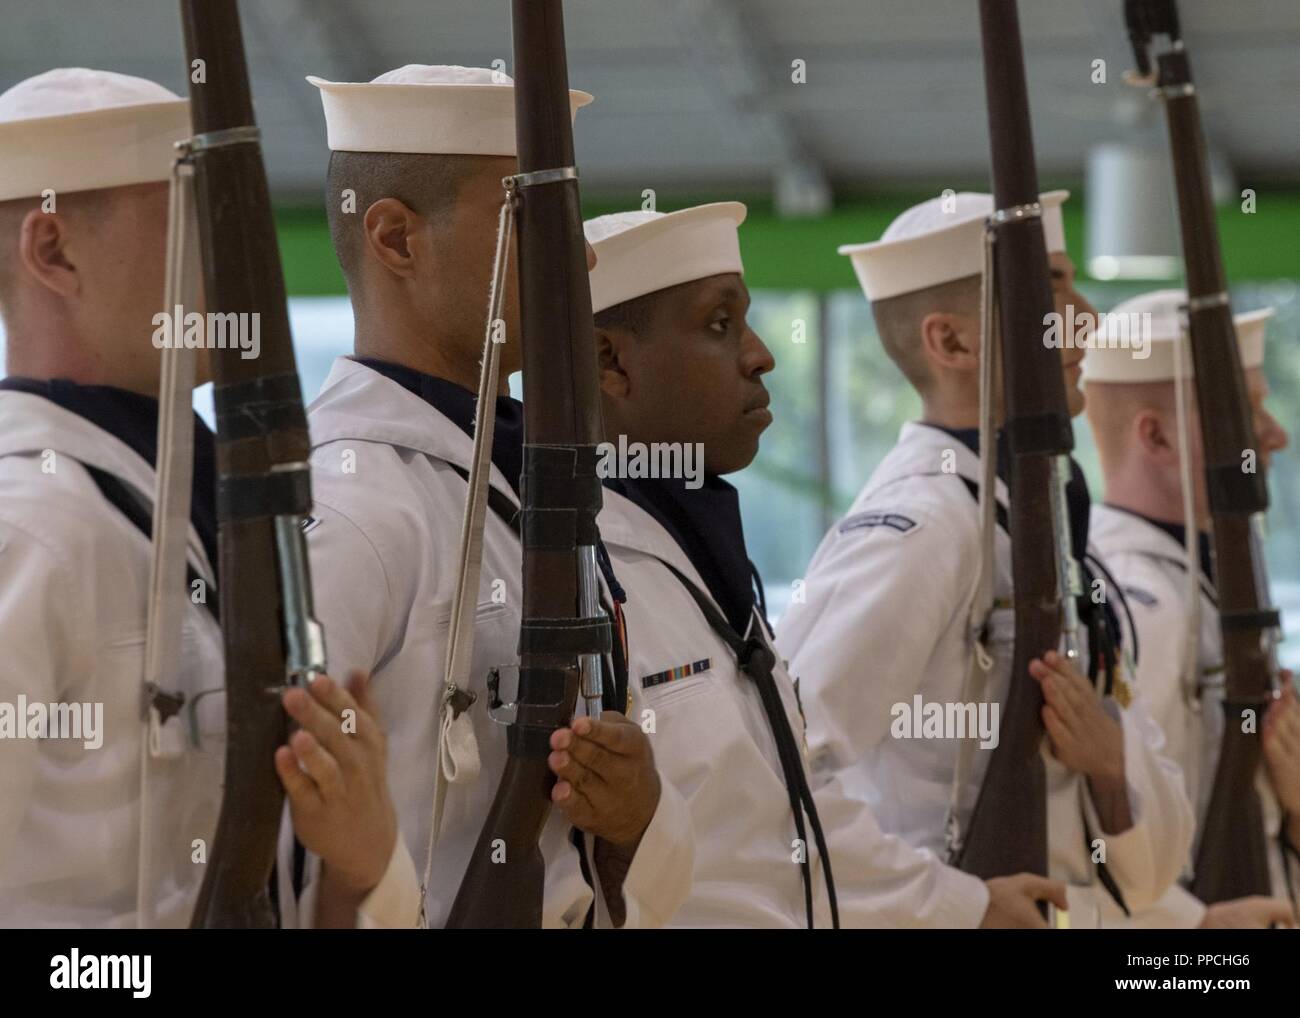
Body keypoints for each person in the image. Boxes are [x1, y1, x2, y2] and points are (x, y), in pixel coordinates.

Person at [0, 68, 410, 928]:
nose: (240, 261)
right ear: (53, 253)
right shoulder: (26, 522)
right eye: (196, 219)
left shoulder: (188, 505)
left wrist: (354, 875)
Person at [584, 201, 1065, 927]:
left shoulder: (698, 548)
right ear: (609, 362)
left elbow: (794, 795)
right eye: (721, 324)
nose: (761, 353)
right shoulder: (579, 578)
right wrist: (962, 907)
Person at [303, 64, 693, 928]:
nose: (585, 254)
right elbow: (295, 867)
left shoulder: (525, 477)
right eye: (537, 215)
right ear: (398, 239)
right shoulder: (353, 506)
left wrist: (638, 821)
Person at [777, 192, 1194, 926]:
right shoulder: (925, 526)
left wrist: (1112, 759)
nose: (1088, 319)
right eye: (1052, 290)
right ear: (953, 343)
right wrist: (953, 905)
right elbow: (780, 779)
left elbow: (1152, 872)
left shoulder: (1043, 523)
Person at [1084, 289, 1299, 927]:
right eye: (1244, 410)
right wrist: (1192, 930)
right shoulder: (1135, 606)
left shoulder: (1204, 581)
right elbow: (1101, 847)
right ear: (1154, 434)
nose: (1276, 434)